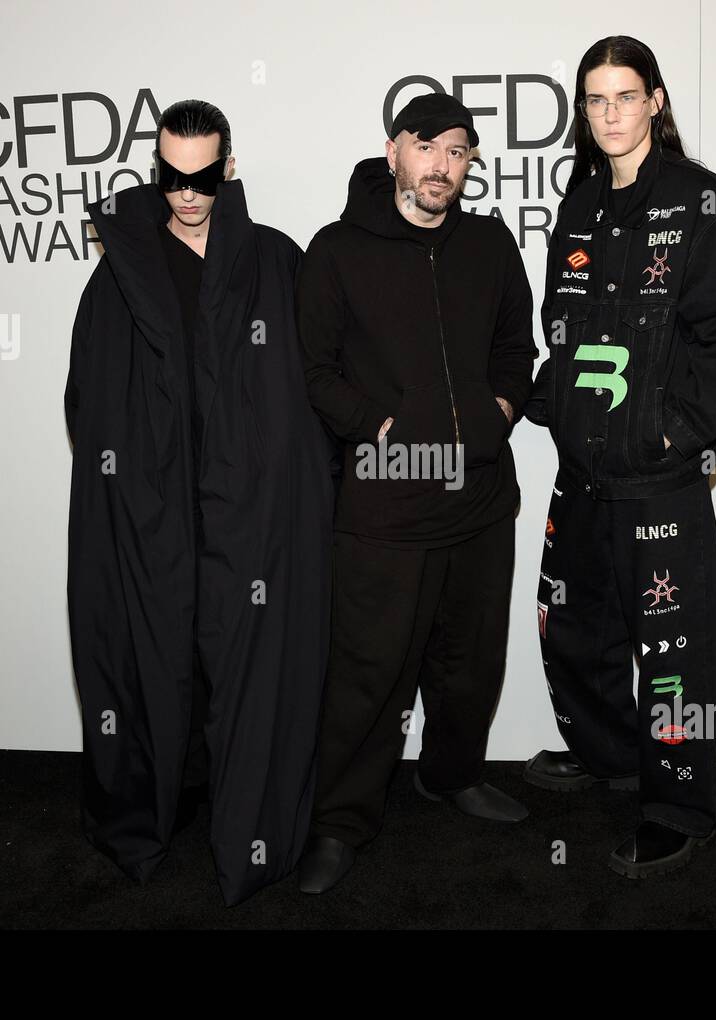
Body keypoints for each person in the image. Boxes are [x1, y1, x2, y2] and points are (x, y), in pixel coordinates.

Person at [64, 99, 335, 906]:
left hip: (248, 508)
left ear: (230, 167)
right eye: (171, 176)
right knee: (157, 652)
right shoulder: (119, 272)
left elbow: (305, 391)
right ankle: (161, 803)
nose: (186, 194)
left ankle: (248, 823)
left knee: (250, 658)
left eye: (203, 176)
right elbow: (89, 399)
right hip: (155, 508)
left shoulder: (274, 262)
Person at [522, 36, 716, 878]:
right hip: (584, 472)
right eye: (594, 99)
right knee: (574, 634)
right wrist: (546, 398)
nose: (608, 115)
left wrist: (674, 427)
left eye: (624, 97)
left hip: (658, 479)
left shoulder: (699, 199)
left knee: (674, 657)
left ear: (656, 102)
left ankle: (678, 804)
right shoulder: (582, 196)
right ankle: (613, 757)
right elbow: (562, 328)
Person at [294, 93, 538, 894]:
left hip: (479, 500)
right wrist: (380, 429)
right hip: (385, 509)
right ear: (393, 151)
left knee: (471, 664)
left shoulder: (491, 245)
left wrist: (499, 410)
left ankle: (451, 773)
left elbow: (516, 349)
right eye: (426, 146)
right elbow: (315, 371)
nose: (442, 165)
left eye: (459, 151)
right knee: (368, 674)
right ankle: (339, 824)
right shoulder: (335, 250)